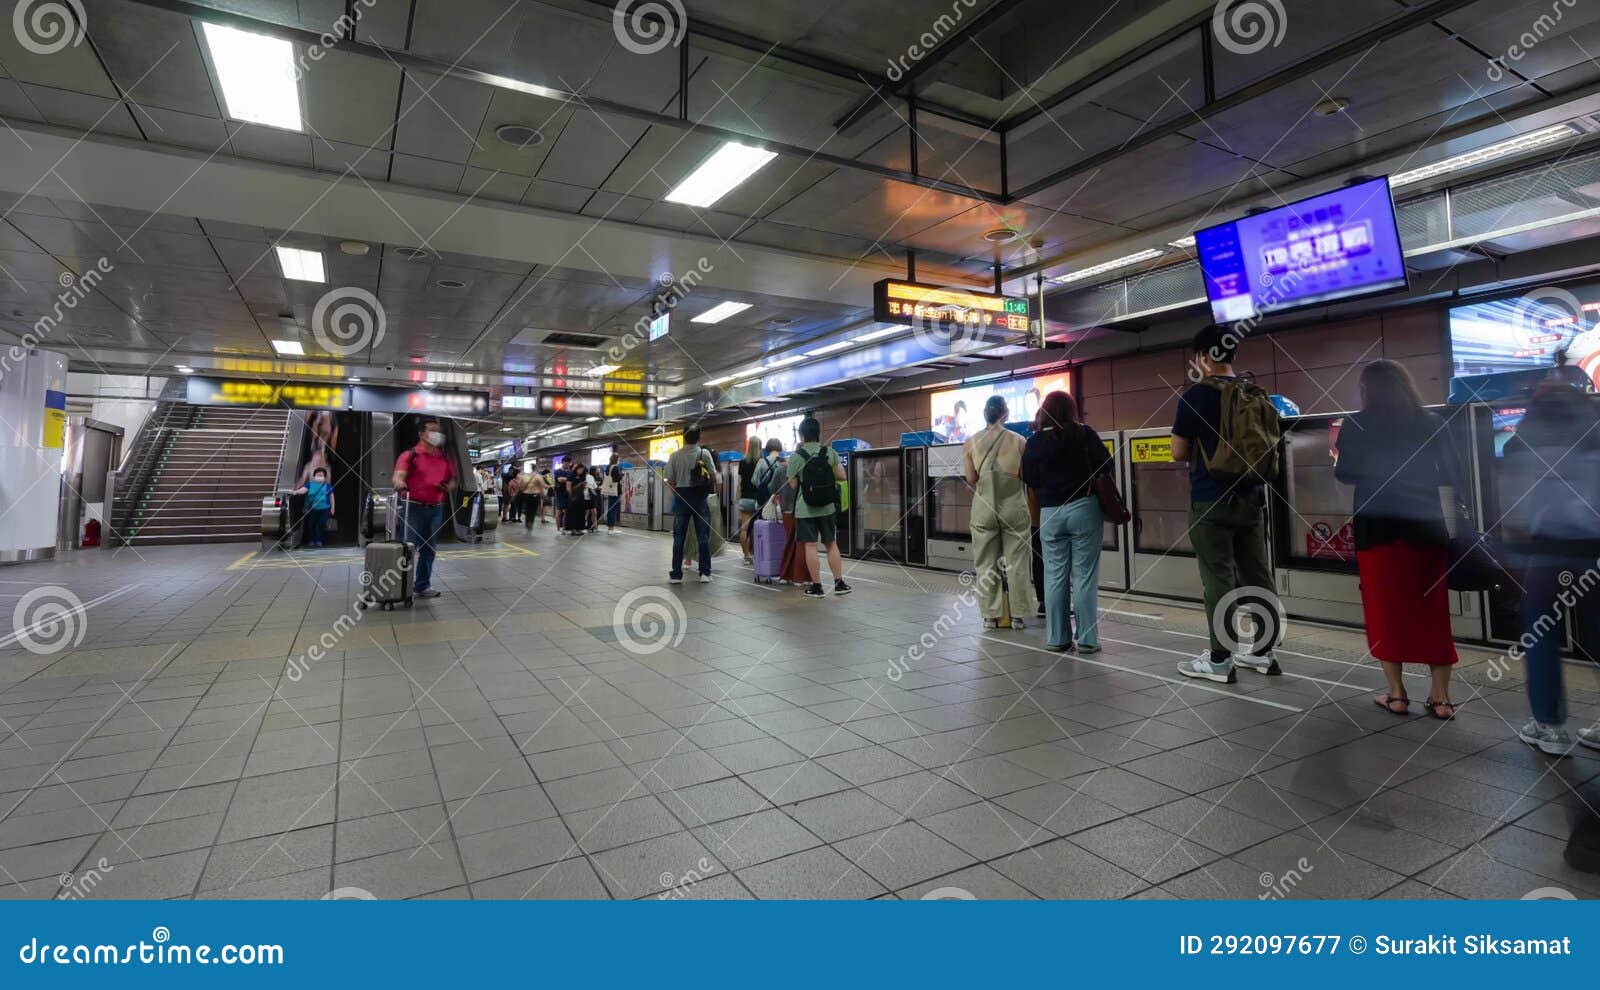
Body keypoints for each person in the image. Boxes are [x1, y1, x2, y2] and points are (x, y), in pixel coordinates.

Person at [1334, 360, 1466, 719]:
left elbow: (1344, 473)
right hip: (1425, 528)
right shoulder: (1431, 423)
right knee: (1432, 611)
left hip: (1377, 530)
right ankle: (1441, 699)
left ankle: (1397, 694)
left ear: (1366, 389)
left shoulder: (1356, 423)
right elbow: (1454, 473)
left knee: (1384, 610)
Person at [1171, 325, 1284, 683]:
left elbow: (1178, 451)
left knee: (1218, 578)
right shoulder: (1255, 393)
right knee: (1257, 574)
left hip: (1210, 500)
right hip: (1251, 499)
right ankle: (1264, 653)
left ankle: (1220, 660)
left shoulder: (1194, 397)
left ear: (1203, 357)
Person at [1503, 376, 1600, 754]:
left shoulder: (1525, 443)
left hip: (1544, 556)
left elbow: (1514, 509)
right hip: (1591, 555)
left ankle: (1549, 725)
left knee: (1541, 635)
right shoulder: (1594, 441)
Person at [1022, 391, 1110, 652]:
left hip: (1050, 513)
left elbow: (1030, 481)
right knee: (1084, 576)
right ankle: (1087, 640)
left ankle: (1058, 638)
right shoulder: (1084, 434)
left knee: (1055, 576)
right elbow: (1106, 466)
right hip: (1083, 508)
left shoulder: (1035, 442)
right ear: (1072, 411)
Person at [964, 395, 1033, 630]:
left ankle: (990, 617)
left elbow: (971, 478)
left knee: (985, 564)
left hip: (984, 509)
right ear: (1005, 414)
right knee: (1017, 562)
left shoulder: (970, 442)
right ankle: (1018, 616)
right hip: (1013, 506)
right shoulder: (1020, 441)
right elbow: (1025, 476)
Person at [392, 418, 458, 599]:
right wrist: (399, 483)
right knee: (407, 548)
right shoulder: (410, 455)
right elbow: (398, 476)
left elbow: (453, 480)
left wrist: (448, 486)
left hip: (436, 508)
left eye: (439, 431)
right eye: (432, 430)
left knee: (429, 549)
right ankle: (398, 587)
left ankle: (421, 586)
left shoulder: (444, 457)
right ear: (421, 434)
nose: (437, 434)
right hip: (412, 508)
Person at [787, 417, 851, 598]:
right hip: (827, 507)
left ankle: (817, 586)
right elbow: (842, 476)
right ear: (818, 432)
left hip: (805, 508)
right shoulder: (829, 452)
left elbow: (793, 485)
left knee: (810, 545)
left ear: (801, 435)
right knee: (831, 544)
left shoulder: (796, 457)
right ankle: (839, 583)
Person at [666, 427, 720, 583]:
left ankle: (676, 574)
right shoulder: (704, 453)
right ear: (699, 437)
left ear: (683, 437)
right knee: (703, 537)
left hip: (681, 497)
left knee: (679, 537)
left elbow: (670, 480)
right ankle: (705, 573)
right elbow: (713, 476)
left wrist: (677, 494)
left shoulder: (674, 456)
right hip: (700, 497)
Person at [292, 465, 336, 548]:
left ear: (324, 477)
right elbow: (303, 490)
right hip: (313, 509)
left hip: (325, 509)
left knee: (321, 524)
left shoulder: (327, 486)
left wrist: (333, 508)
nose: (319, 477)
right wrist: (296, 492)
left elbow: (331, 497)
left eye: (321, 475)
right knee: (311, 524)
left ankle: (319, 540)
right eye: (318, 475)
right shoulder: (310, 484)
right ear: (314, 476)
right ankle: (312, 540)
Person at [737, 436, 762, 564]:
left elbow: (741, 478)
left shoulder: (742, 462)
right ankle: (757, 554)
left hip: (746, 498)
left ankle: (747, 556)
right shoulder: (762, 461)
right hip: (759, 500)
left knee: (745, 529)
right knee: (759, 529)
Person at [604, 453, 623, 534]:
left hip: (609, 490)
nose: (619, 460)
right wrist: (621, 475)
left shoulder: (608, 467)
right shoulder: (615, 467)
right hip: (615, 491)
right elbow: (616, 479)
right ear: (616, 459)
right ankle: (611, 529)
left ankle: (610, 528)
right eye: (619, 459)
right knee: (613, 509)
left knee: (610, 508)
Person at [524, 466, 545, 532]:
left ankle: (527, 522)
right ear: (536, 468)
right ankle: (530, 522)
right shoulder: (538, 476)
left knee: (527, 510)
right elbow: (542, 486)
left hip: (526, 494)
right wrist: (542, 496)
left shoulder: (525, 476)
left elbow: (521, 486)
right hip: (535, 495)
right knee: (533, 511)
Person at [551, 461, 569, 534]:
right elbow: (559, 480)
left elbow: (563, 479)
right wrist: (568, 479)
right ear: (564, 462)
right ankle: (558, 529)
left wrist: (565, 479)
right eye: (568, 463)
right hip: (560, 493)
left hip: (567, 493)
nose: (568, 464)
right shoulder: (557, 471)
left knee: (566, 512)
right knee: (559, 512)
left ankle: (564, 528)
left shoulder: (568, 471)